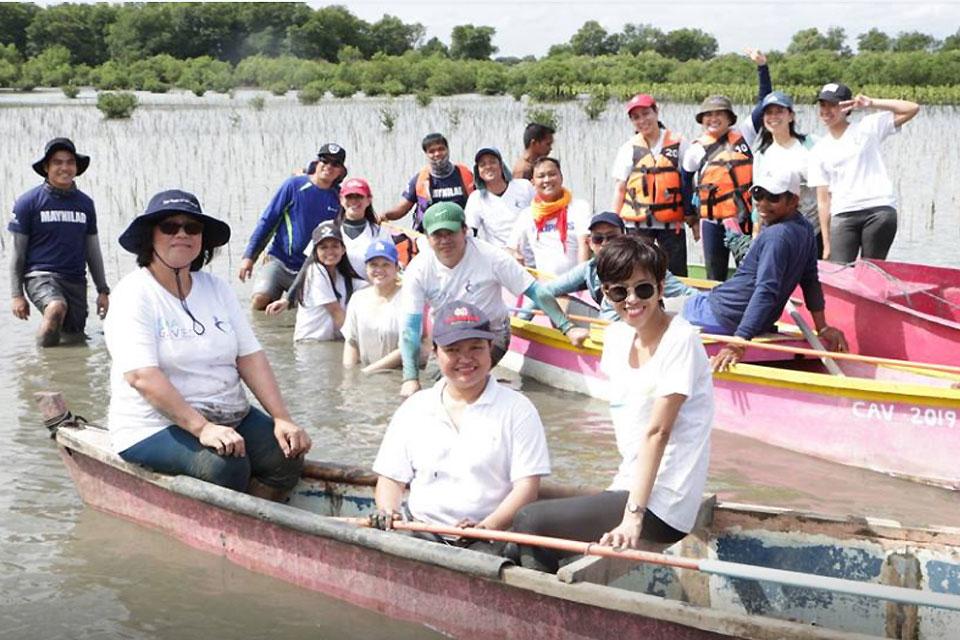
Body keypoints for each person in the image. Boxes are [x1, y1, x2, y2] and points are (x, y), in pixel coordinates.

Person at [510, 237, 714, 572]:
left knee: (530, 520)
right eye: (619, 291)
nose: (632, 300)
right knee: (520, 495)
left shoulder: (682, 340)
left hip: (663, 505)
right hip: (629, 487)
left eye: (643, 289)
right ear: (606, 294)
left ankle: (555, 612)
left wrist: (632, 518)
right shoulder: (617, 337)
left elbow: (657, 433)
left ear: (661, 288)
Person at [105, 189, 311, 499]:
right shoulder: (133, 294)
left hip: (229, 414)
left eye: (192, 228)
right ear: (150, 237)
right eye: (170, 227)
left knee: (287, 454)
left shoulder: (216, 289)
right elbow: (142, 377)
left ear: (202, 239)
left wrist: (282, 418)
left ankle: (256, 525)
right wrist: (202, 428)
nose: (182, 235)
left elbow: (250, 357)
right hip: (152, 425)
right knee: (226, 467)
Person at [371, 300, 550, 548]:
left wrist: (487, 527)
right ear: (435, 352)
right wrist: (388, 511)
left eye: (476, 348)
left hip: (491, 539)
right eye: (453, 350)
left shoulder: (518, 410)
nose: (465, 359)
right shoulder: (414, 408)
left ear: (491, 349)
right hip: (421, 531)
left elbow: (527, 488)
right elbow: (391, 479)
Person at [399, 202, 589, 397]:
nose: (444, 241)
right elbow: (410, 327)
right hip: (449, 336)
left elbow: (535, 291)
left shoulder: (492, 257)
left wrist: (568, 328)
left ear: (465, 231)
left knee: (459, 384)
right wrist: (410, 378)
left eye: (450, 233)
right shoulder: (418, 269)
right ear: (427, 238)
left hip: (491, 333)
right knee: (434, 385)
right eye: (437, 235)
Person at [678, 167, 848, 371]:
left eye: (773, 197)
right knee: (686, 295)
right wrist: (822, 327)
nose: (763, 204)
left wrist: (739, 343)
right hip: (746, 316)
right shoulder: (805, 229)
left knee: (664, 306)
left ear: (793, 200)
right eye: (758, 194)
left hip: (720, 314)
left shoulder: (776, 236)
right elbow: (810, 280)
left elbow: (766, 290)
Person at [9, 138, 110, 347]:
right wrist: (17, 295)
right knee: (55, 307)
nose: (64, 167)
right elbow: (18, 254)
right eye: (57, 162)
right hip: (40, 276)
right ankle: (44, 364)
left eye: (69, 162)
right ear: (46, 167)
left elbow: (93, 250)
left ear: (76, 167)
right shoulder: (28, 202)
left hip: (75, 280)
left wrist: (103, 290)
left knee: (74, 338)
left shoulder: (85, 204)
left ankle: (60, 373)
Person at [682, 49, 771, 281]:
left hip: (741, 219)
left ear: (729, 118)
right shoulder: (695, 150)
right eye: (708, 115)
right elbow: (685, 182)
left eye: (719, 114)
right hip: (711, 222)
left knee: (748, 273)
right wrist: (690, 217)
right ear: (702, 120)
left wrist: (762, 68)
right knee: (715, 276)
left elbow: (764, 104)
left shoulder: (744, 135)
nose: (713, 119)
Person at [807, 82, 920, 263]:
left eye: (833, 105)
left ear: (847, 107)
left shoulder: (868, 127)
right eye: (823, 105)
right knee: (840, 271)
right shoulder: (818, 150)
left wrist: (871, 103)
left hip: (878, 210)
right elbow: (823, 200)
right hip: (843, 214)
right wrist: (826, 242)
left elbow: (911, 109)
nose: (826, 110)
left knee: (871, 270)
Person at [525, 211, 697, 322]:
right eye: (598, 239)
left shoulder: (648, 264)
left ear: (625, 237)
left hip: (643, 325)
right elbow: (543, 291)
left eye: (612, 237)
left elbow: (690, 295)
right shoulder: (589, 268)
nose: (606, 244)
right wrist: (521, 321)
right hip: (607, 327)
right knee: (557, 299)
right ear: (590, 243)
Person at [238, 143, 347, 310]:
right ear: (317, 163)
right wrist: (249, 257)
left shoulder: (340, 199)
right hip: (279, 261)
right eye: (325, 161)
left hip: (313, 269)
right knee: (259, 301)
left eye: (335, 164)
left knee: (301, 311)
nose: (329, 167)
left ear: (341, 171)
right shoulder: (293, 185)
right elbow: (268, 220)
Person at [611, 93, 692, 276]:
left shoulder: (679, 143)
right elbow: (620, 188)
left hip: (671, 223)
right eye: (636, 117)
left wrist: (691, 216)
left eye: (646, 113)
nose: (642, 120)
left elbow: (688, 182)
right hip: (637, 223)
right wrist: (614, 223)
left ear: (656, 112)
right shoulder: (628, 148)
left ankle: (676, 304)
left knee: (676, 273)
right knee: (637, 271)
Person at [265, 221, 366, 342]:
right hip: (310, 344)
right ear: (315, 252)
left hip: (331, 342)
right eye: (323, 247)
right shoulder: (315, 272)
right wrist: (362, 343)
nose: (330, 251)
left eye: (335, 246)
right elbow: (336, 312)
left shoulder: (343, 278)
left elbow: (371, 290)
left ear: (343, 250)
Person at [342, 239, 428, 372]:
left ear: (397, 268)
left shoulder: (410, 298)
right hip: (368, 373)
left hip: (400, 373)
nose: (379, 270)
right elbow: (351, 341)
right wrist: (349, 374)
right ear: (366, 268)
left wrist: (368, 372)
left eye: (385, 265)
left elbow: (408, 346)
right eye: (373, 265)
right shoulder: (357, 299)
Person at [751, 92, 821, 254]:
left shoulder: (810, 144)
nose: (773, 117)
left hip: (811, 228)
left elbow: (828, 189)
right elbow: (758, 198)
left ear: (791, 116)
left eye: (779, 111)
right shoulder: (762, 154)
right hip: (776, 231)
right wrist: (756, 232)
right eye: (769, 113)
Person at [508, 157, 591, 277]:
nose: (546, 180)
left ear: (561, 177)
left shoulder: (579, 207)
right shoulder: (527, 215)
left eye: (552, 174)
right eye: (541, 176)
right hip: (545, 286)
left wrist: (581, 280)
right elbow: (511, 247)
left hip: (576, 284)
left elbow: (584, 244)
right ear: (533, 182)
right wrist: (514, 254)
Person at [379, 132, 474, 233]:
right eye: (432, 151)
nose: (437, 154)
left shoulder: (465, 175)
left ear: (448, 150)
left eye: (441, 149)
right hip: (428, 236)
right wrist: (385, 215)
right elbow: (402, 208)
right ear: (426, 154)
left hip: (460, 234)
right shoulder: (419, 179)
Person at [464, 147, 535, 250]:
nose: (488, 167)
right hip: (500, 257)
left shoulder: (524, 186)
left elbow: (541, 216)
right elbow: (470, 232)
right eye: (482, 165)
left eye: (492, 162)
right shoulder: (476, 198)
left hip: (529, 254)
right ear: (478, 171)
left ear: (501, 166)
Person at [333, 177, 393, 277]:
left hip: (369, 290)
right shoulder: (327, 228)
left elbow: (392, 265)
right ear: (341, 200)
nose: (354, 201)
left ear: (369, 200)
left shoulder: (381, 233)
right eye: (349, 197)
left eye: (359, 196)